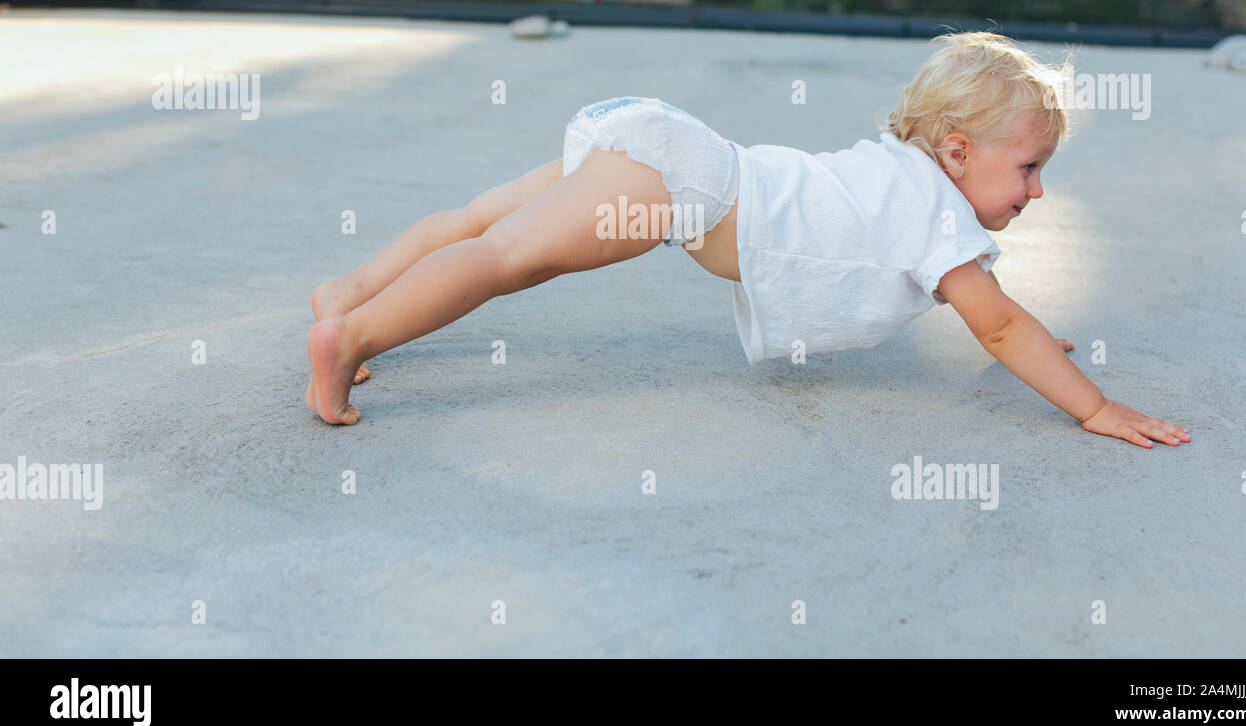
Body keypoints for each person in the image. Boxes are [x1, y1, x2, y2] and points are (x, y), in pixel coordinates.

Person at [306, 31, 1189, 449]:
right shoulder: (937, 219)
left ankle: (348, 292)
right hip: (684, 185)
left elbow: (1005, 322)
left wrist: (1037, 343)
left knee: (477, 222)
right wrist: (1094, 407)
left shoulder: (906, 172)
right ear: (957, 152)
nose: (1037, 190)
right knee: (506, 258)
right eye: (1029, 168)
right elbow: (996, 326)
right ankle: (351, 337)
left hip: (662, 142)